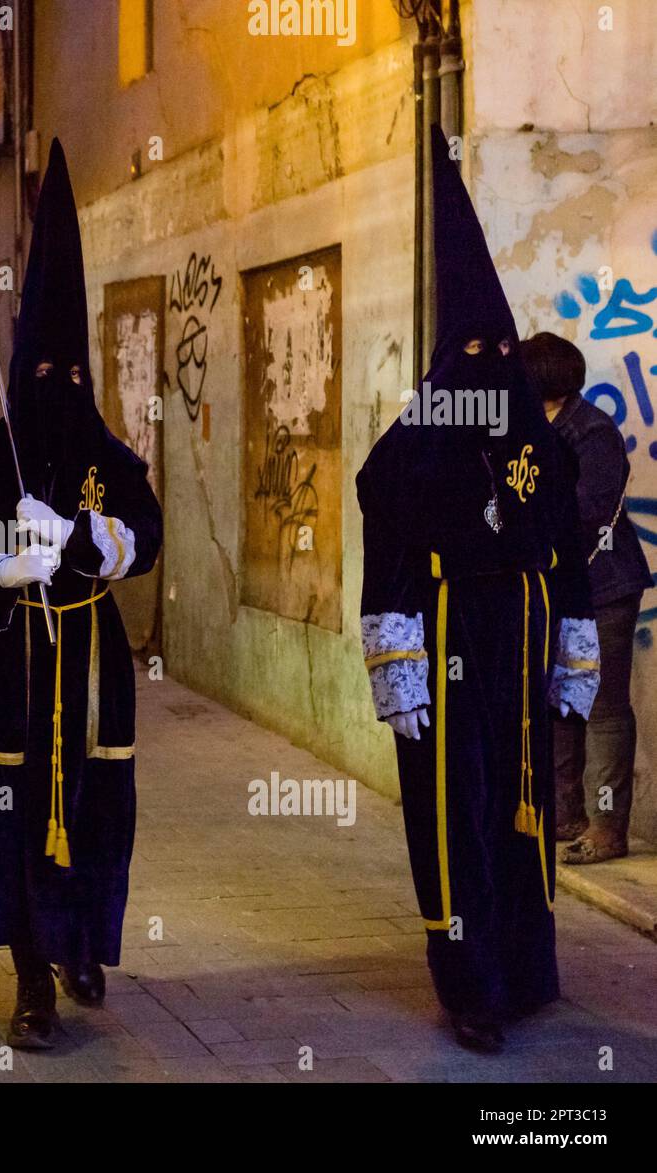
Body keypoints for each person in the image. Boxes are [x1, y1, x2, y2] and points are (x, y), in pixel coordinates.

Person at [357, 127, 599, 1055]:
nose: (489, 362)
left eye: (501, 347)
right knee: (457, 817)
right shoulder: (418, 442)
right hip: (449, 646)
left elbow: (566, 556)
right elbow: (386, 540)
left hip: (522, 651)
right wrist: (399, 669)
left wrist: (572, 656)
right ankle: (469, 984)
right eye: (475, 347)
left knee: (522, 808)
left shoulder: (539, 450)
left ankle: (527, 968)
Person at [0, 140, 163, 1049]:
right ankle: (30, 980)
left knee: (97, 813)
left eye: (73, 376)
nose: (59, 390)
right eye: (44, 377)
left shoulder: (107, 455)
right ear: (19, 375)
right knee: (12, 825)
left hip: (91, 671)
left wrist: (101, 543)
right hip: (2, 672)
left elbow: (148, 531)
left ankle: (82, 942)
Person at [522, 331, 650, 864]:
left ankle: (606, 827)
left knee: (603, 707)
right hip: (560, 589)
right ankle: (566, 814)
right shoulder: (531, 428)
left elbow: (587, 510)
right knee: (559, 702)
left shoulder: (591, 431)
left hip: (604, 586)